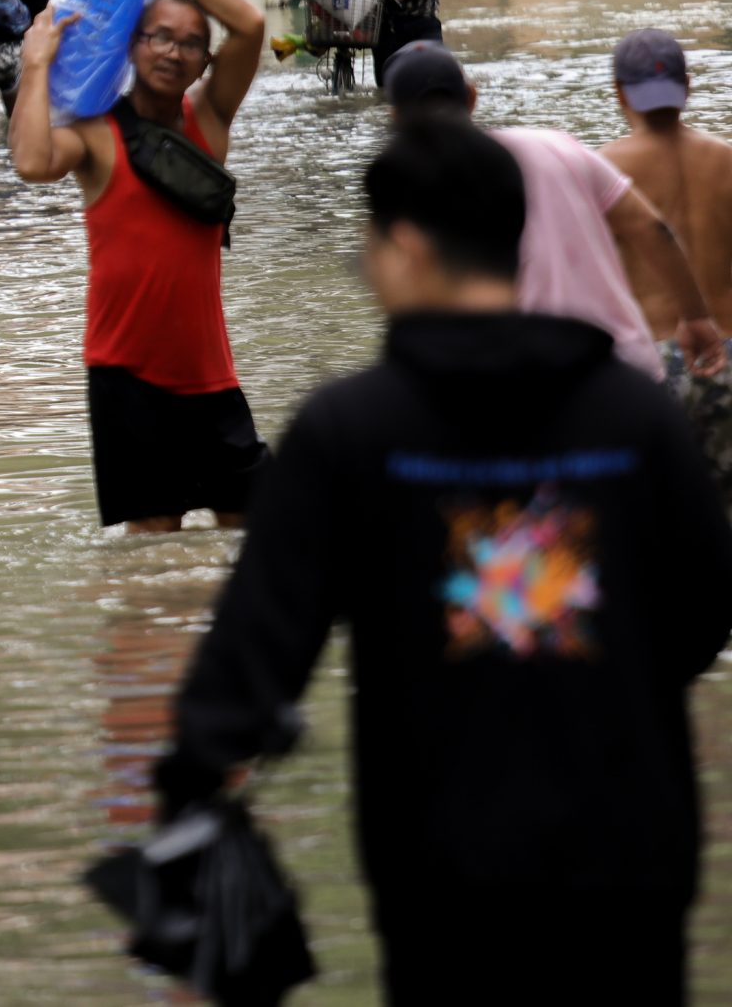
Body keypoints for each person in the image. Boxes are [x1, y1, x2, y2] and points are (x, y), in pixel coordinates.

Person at [155, 117, 732, 1004]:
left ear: (409, 247)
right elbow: (704, 611)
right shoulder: (635, 416)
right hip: (631, 845)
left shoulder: (349, 431)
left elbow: (254, 657)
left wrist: (192, 793)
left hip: (438, 853)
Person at [8, 0, 269, 532]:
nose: (172, 53)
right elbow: (30, 161)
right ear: (131, 43)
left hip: (211, 374)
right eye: (158, 38)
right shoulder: (97, 134)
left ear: (206, 59)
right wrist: (36, 62)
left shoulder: (208, 117)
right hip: (127, 378)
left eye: (190, 44)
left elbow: (251, 25)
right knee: (153, 555)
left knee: (253, 528)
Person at [381, 41, 726, 383]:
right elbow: (653, 229)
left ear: (395, 117)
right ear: (472, 97)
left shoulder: (416, 198)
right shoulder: (557, 149)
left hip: (531, 385)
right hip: (633, 367)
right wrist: (695, 315)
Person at [598, 28, 732, 505]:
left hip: (650, 367)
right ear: (688, 87)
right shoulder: (727, 160)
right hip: (726, 360)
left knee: (658, 524)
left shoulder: (603, 172)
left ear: (618, 93)